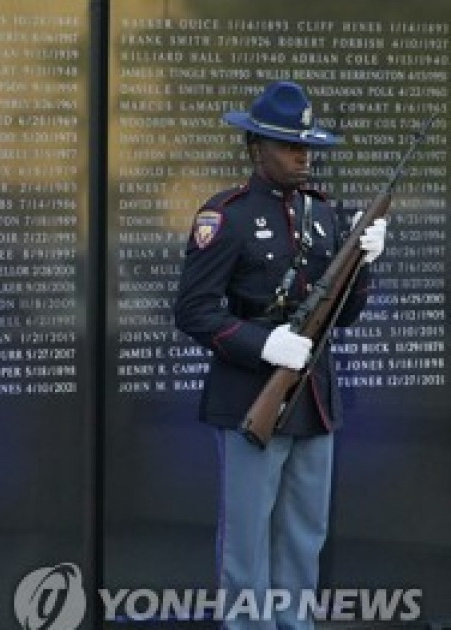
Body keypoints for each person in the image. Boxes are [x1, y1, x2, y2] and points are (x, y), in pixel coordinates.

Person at [173, 80, 387, 628]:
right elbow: (194, 310)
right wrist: (261, 341)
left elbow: (344, 314)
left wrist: (362, 264)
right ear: (256, 148)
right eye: (290, 146)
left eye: (307, 145)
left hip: (314, 401)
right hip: (251, 400)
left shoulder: (322, 214)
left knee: (304, 539)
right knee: (245, 547)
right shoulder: (227, 216)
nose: (302, 156)